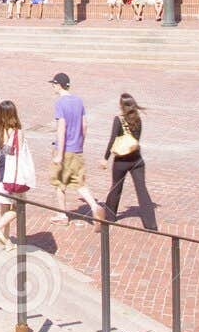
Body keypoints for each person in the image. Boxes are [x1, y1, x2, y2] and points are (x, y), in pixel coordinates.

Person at [49, 72, 101, 223]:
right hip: (77, 148)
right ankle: (95, 206)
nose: (53, 86)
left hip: (64, 149)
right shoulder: (78, 101)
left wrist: (59, 153)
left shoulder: (60, 103)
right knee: (80, 183)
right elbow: (85, 125)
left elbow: (61, 128)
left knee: (59, 183)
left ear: (59, 85)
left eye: (54, 84)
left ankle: (62, 214)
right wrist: (80, 143)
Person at [101, 92, 157, 229]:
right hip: (137, 159)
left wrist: (105, 158)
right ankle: (151, 224)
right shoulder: (138, 119)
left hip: (121, 160)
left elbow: (112, 139)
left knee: (116, 187)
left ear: (122, 105)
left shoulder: (119, 120)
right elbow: (136, 140)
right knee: (142, 190)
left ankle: (110, 216)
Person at [0, 100, 35, 248]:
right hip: (12, 177)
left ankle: (6, 241)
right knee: (19, 207)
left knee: (4, 207)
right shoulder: (18, 133)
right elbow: (23, 154)